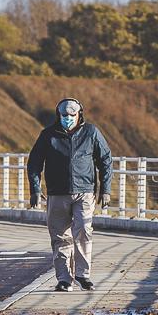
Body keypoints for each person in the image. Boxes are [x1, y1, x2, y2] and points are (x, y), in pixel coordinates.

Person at [27, 98, 112, 292]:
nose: (68, 119)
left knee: (83, 230)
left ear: (79, 114)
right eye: (64, 115)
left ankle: (83, 275)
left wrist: (105, 188)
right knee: (60, 237)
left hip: (84, 192)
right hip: (57, 193)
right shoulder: (48, 135)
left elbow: (105, 160)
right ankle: (64, 279)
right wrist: (35, 188)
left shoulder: (91, 132)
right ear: (59, 115)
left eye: (72, 115)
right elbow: (34, 162)